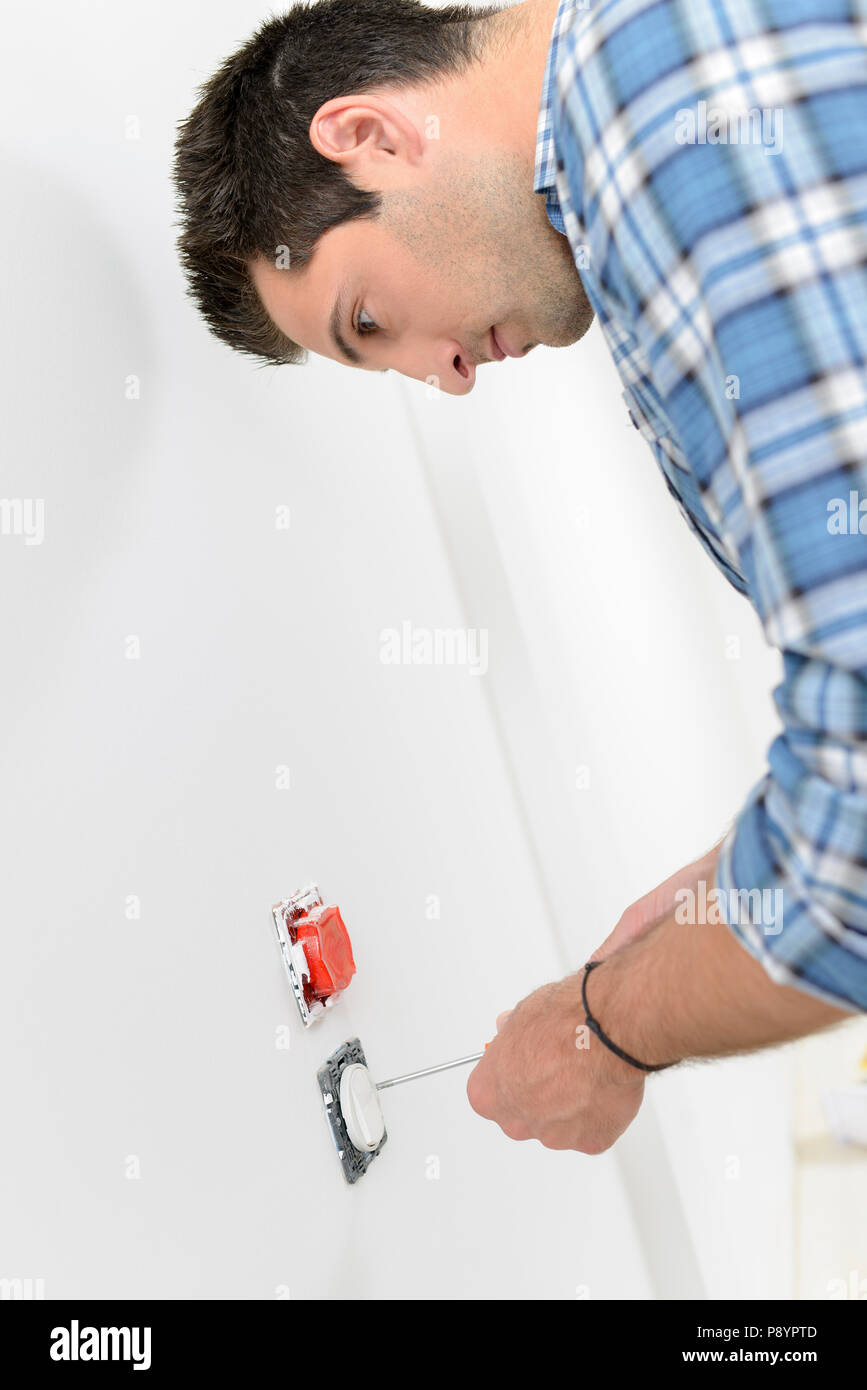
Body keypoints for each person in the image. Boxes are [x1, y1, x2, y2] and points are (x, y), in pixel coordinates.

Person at [174, 0, 867, 1152]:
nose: (442, 376)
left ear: (370, 136)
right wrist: (742, 876)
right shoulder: (659, 93)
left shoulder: (668, 144)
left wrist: (609, 1029)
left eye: (370, 318)